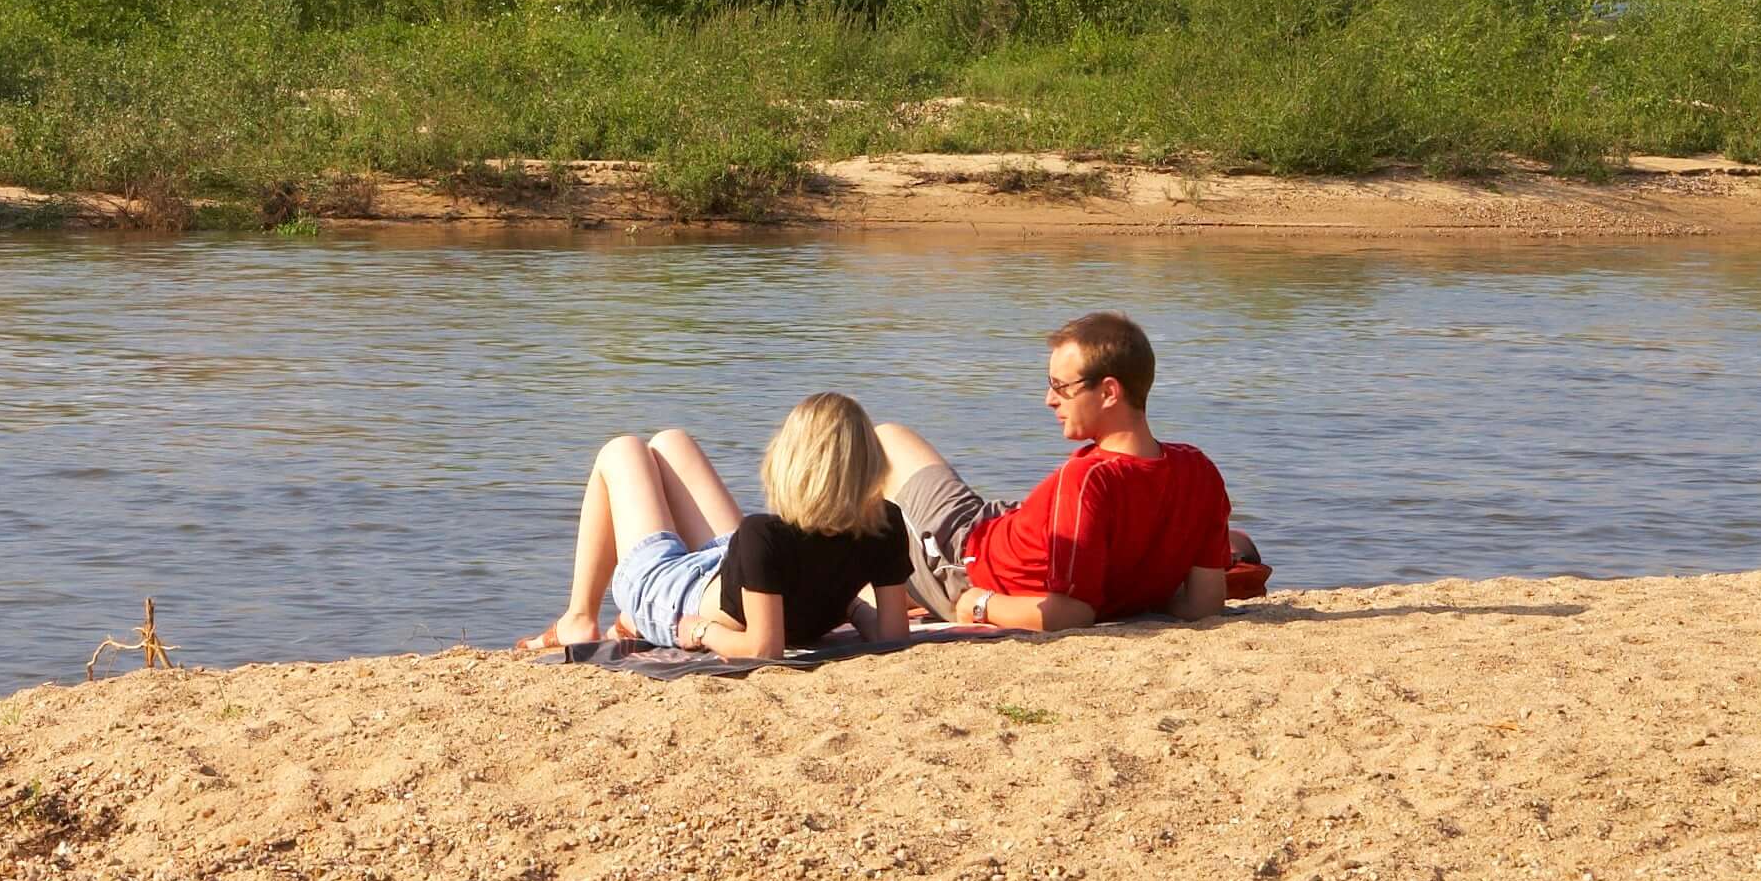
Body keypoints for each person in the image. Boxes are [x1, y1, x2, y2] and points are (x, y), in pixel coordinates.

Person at [884, 310, 1242, 634]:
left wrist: (978, 605)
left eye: (1061, 386)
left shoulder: (1089, 479)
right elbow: (1203, 604)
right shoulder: (1199, 469)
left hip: (961, 558)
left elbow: (1071, 613)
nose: (1049, 399)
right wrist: (1146, 595)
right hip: (1007, 526)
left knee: (884, 439)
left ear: (1109, 392)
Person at [525, 393, 916, 659]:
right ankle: (606, 621)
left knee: (622, 450)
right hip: (740, 574)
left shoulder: (765, 535)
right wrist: (850, 606)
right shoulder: (883, 522)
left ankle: (579, 618)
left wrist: (698, 632)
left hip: (675, 594)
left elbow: (763, 649)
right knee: (672, 441)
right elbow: (893, 636)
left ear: (790, 461)